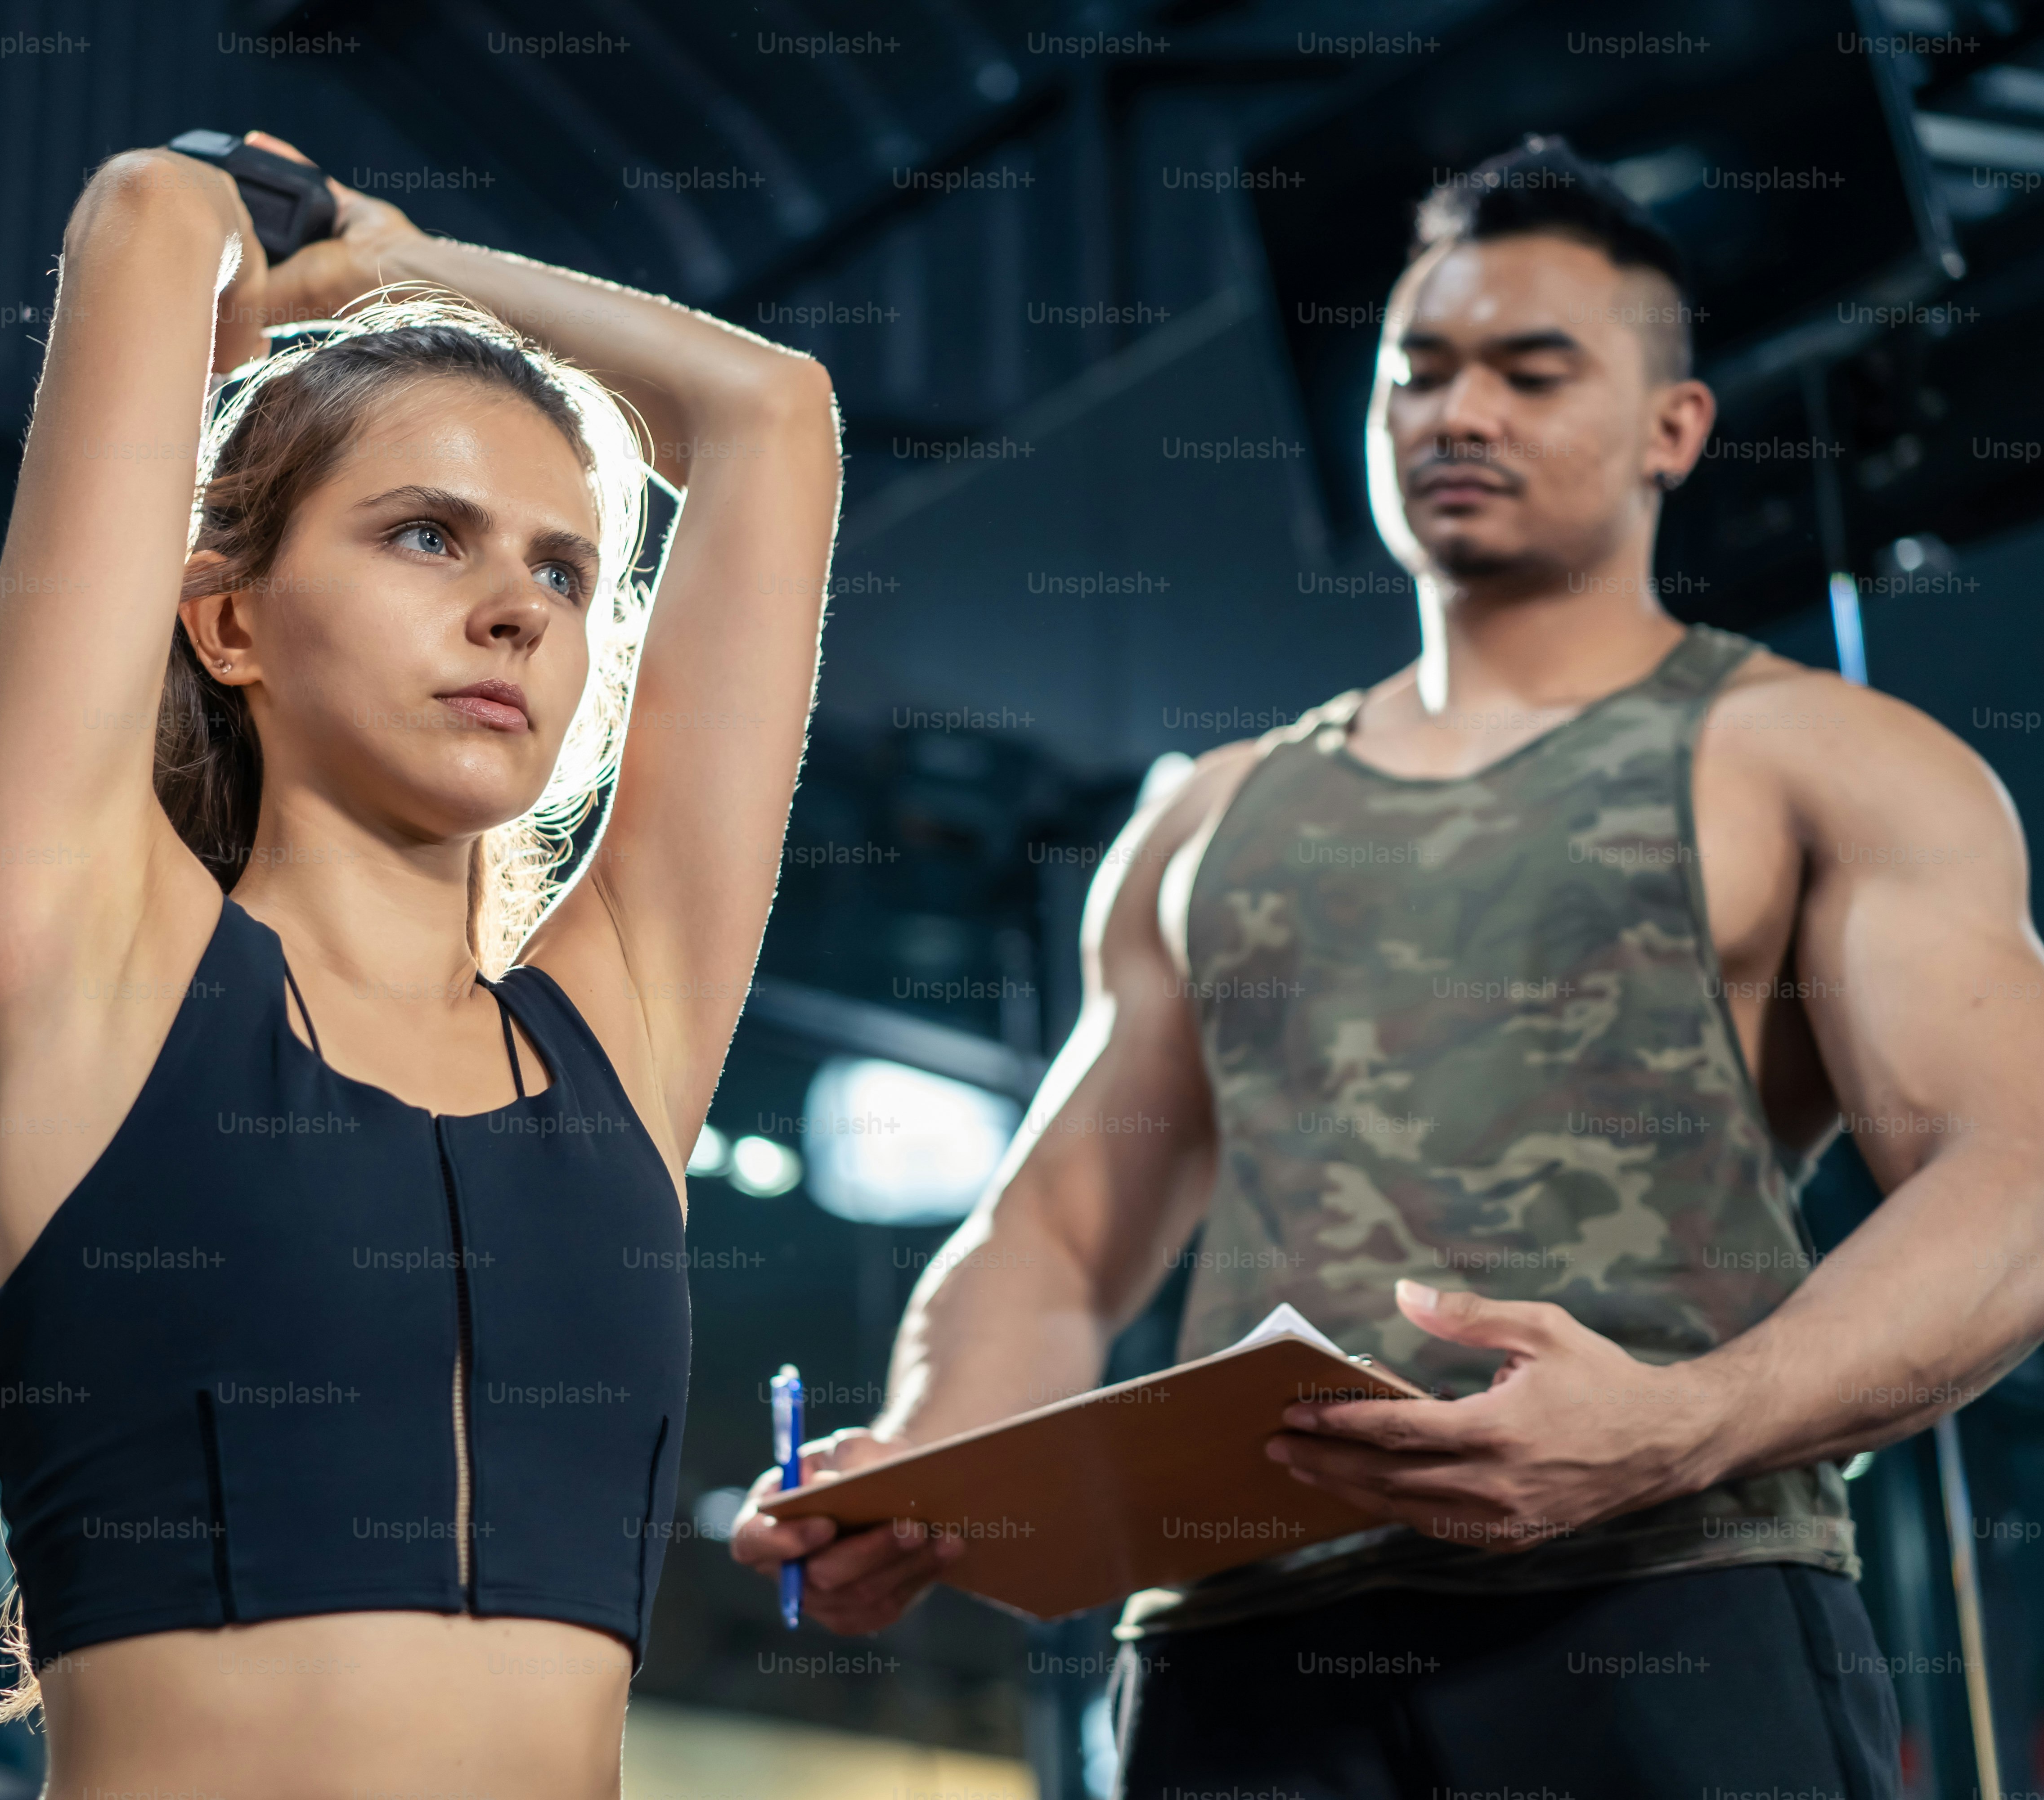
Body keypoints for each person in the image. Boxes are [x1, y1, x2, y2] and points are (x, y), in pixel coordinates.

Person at [732, 135, 2044, 1797]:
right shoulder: (1209, 814)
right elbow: (1057, 1234)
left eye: (1529, 369)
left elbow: (2013, 1174)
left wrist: (1685, 1424)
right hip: (1236, 1653)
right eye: (1416, 372)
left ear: (1673, 429)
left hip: (1661, 1603)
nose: (1457, 412)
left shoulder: (1822, 756)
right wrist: (926, 1460)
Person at [0, 132, 837, 1798]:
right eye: (429, 536)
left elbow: (771, 419)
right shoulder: (87, 970)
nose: (519, 614)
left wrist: (402, 272)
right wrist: (290, 245)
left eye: (562, 569)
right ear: (230, 623)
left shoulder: (622, 1035)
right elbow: (145, 210)